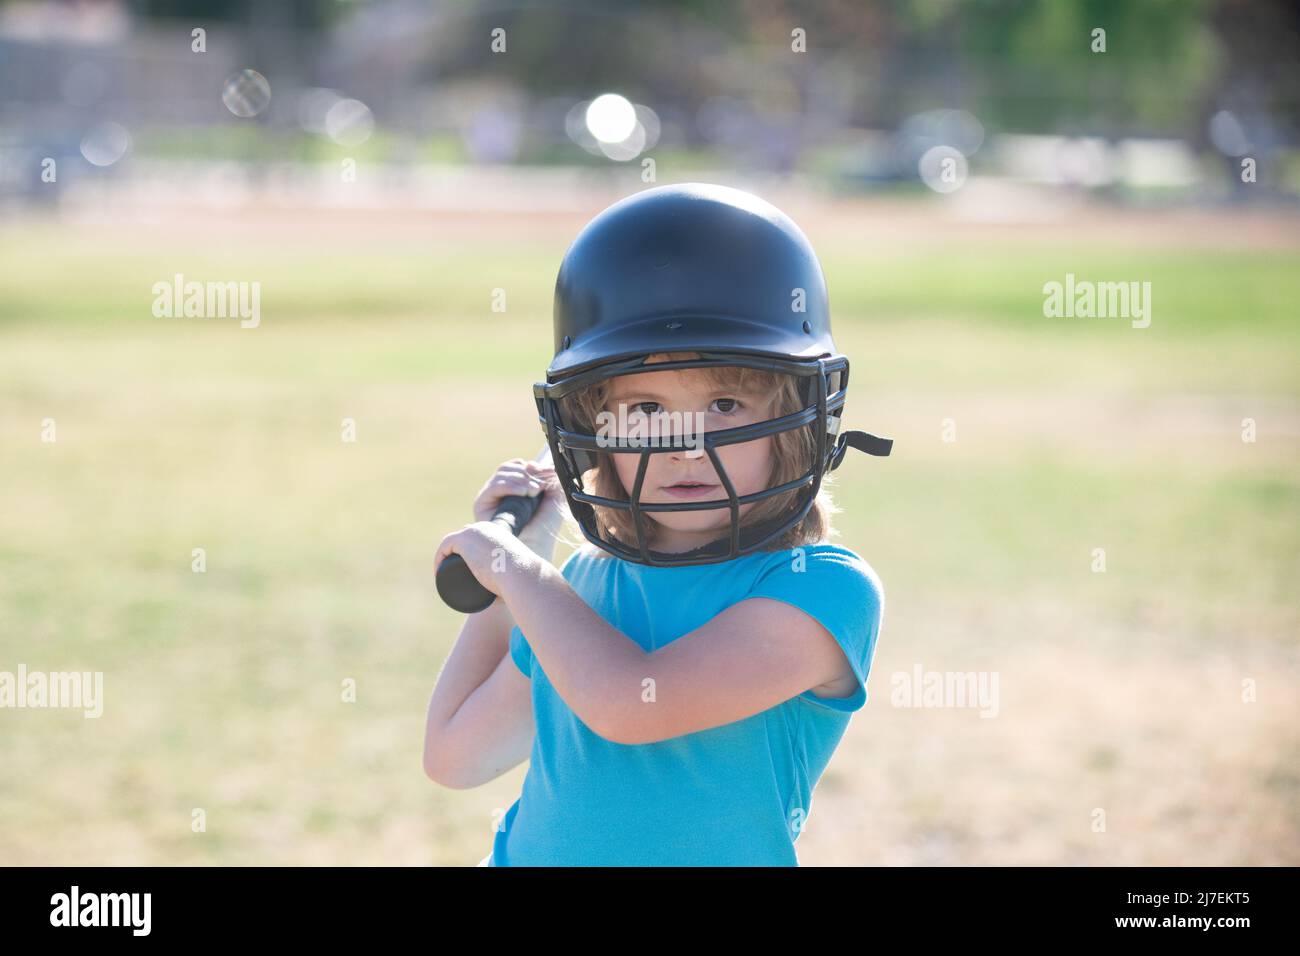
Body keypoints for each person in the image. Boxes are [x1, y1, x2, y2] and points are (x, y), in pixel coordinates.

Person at [428, 183, 892, 866]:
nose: (685, 442)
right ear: (592, 431)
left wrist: (521, 575)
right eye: (645, 408)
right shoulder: (578, 588)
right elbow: (455, 755)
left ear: (800, 417)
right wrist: (509, 569)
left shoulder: (821, 591)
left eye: (726, 402)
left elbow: (631, 705)